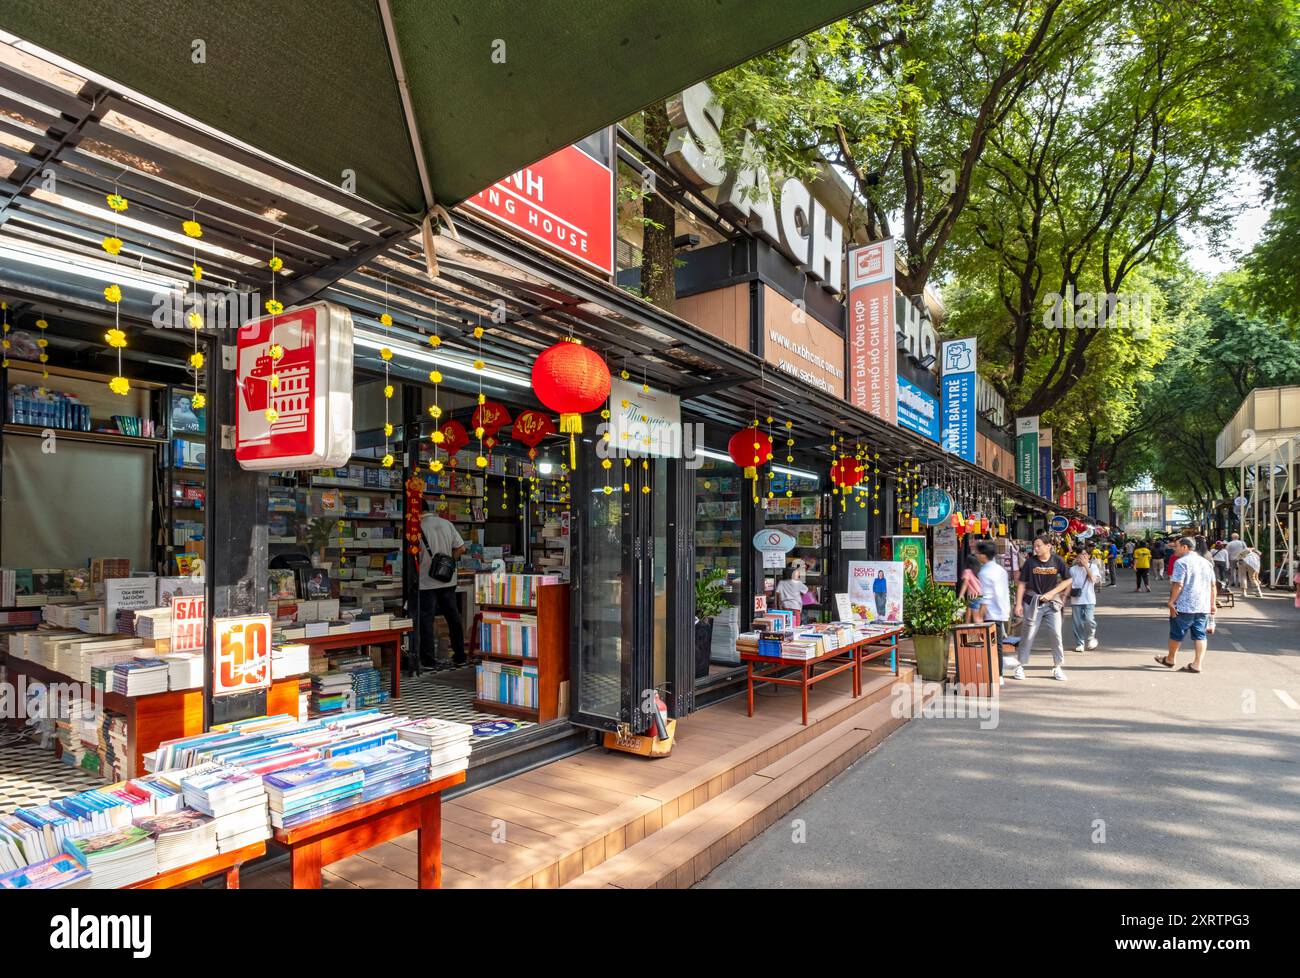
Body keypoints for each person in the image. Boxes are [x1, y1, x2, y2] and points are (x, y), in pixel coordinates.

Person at [1013, 534, 1072, 681]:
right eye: (1035, 546)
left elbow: (1069, 579)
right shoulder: (1030, 563)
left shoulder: (1057, 560)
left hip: (1051, 604)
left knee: (1056, 633)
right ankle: (1020, 665)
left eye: (1039, 545)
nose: (1036, 548)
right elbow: (1022, 584)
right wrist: (1018, 604)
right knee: (1028, 634)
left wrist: (1053, 593)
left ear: (1048, 546)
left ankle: (1057, 666)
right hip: (1032, 602)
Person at [1156, 536, 1217, 673]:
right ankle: (1197, 664)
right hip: (1203, 605)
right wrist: (1212, 604)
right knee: (1200, 635)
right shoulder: (1206, 563)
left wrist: (1171, 602)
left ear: (1185, 547)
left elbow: (1178, 584)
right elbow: (1213, 585)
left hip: (1184, 606)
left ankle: (1170, 659)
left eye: (1176, 546)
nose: (1174, 549)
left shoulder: (1181, 562)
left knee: (1176, 634)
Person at [417, 500, 467, 668]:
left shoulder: (416, 528)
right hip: (447, 580)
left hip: (425, 582)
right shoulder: (446, 523)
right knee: (453, 617)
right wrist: (449, 563)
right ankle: (460, 656)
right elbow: (461, 548)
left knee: (426, 620)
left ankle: (428, 660)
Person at [974, 540, 1010, 679]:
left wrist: (979, 615)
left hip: (990, 613)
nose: (976, 555)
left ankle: (993, 673)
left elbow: (986, 597)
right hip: (1001, 611)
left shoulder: (984, 572)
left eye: (978, 553)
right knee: (997, 644)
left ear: (983, 555)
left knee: (989, 645)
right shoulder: (1000, 570)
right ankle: (998, 674)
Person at [1068, 548, 1103, 652]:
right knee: (1077, 623)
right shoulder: (1072, 569)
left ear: (1088, 556)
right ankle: (1080, 643)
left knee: (1089, 619)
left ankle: (1091, 637)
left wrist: (1086, 567)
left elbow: (1093, 579)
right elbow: (1068, 583)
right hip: (1076, 599)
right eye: (1079, 555)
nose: (1081, 557)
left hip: (1089, 599)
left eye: (1084, 555)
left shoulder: (1094, 567)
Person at [958, 557, 984, 623]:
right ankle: (967, 629)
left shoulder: (967, 571)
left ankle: (981, 632)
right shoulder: (978, 571)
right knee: (968, 612)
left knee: (976, 618)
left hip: (973, 595)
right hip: (980, 594)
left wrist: (961, 595)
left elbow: (965, 583)